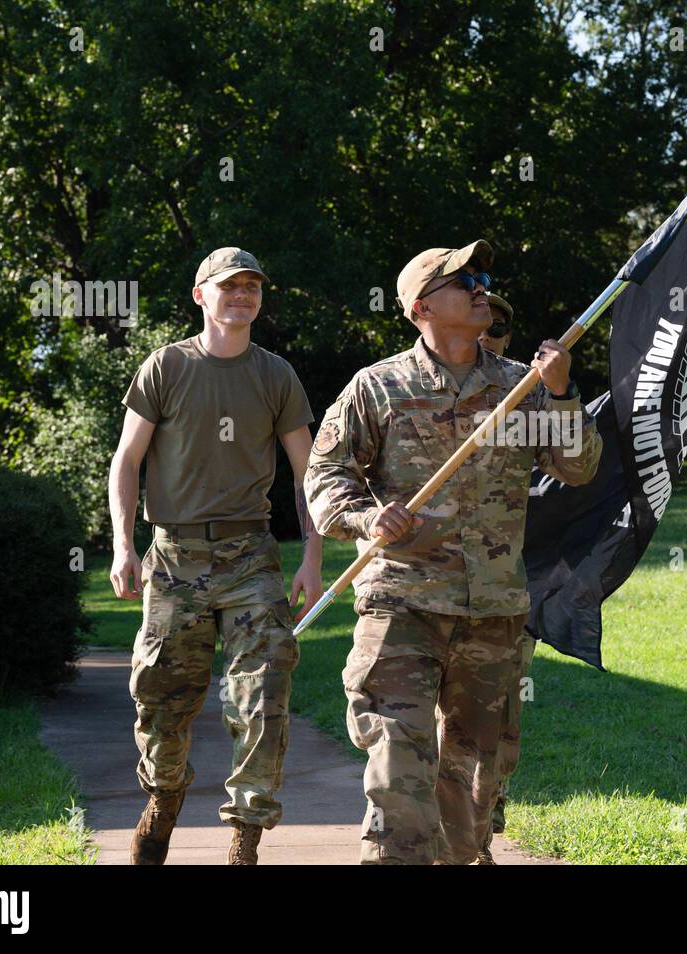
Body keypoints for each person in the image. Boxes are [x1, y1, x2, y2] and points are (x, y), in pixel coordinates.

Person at [305, 240, 601, 864]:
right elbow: (323, 477)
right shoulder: (379, 387)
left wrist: (564, 389)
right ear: (420, 306)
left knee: (471, 789)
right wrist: (366, 515)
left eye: (483, 276)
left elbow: (578, 468)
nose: (480, 287)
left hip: (492, 611)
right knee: (399, 774)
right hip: (402, 606)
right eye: (462, 279)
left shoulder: (522, 388)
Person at [108, 247, 323, 865]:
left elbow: (305, 472)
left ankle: (245, 839)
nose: (243, 294)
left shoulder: (276, 374)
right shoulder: (165, 367)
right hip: (174, 557)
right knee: (161, 697)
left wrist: (312, 558)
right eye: (230, 286)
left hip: (250, 556)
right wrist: (124, 546)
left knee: (263, 692)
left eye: (253, 285)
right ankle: (164, 801)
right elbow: (126, 461)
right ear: (200, 294)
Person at [468, 291, 533, 863]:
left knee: (498, 729)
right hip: (424, 595)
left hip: (504, 596)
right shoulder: (405, 389)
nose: (488, 335)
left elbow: (578, 465)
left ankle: (482, 832)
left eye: (498, 327)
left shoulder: (527, 394)